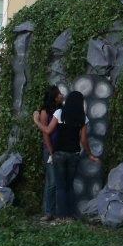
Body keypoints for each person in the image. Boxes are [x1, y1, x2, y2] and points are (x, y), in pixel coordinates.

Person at [38, 91, 98, 219]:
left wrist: (36, 121)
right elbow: (83, 140)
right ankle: (71, 214)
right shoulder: (83, 117)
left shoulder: (60, 113)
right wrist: (90, 154)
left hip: (59, 153)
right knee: (69, 185)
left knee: (60, 186)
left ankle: (61, 216)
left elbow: (48, 130)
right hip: (74, 154)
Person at [33, 85, 63, 221]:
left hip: (61, 148)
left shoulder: (60, 110)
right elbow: (46, 133)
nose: (62, 95)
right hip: (50, 149)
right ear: (54, 97)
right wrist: (51, 151)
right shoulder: (45, 112)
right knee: (51, 182)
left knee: (58, 181)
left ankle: (57, 211)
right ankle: (49, 212)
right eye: (59, 94)